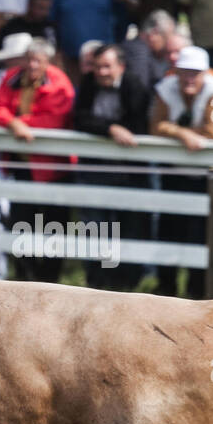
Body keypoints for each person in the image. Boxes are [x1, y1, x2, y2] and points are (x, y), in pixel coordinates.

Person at [0, 37, 75, 282]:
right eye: (29, 59)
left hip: (53, 169)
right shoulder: (13, 77)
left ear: (48, 62)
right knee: (21, 224)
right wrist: (13, 123)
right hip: (23, 165)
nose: (32, 65)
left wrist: (17, 123)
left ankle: (50, 282)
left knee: (53, 228)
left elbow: (53, 122)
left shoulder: (60, 83)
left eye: (38, 60)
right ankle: (24, 279)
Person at [150, 45, 213, 298]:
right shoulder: (165, 89)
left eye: (194, 73)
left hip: (206, 177)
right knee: (168, 231)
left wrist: (171, 129)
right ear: (176, 72)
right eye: (184, 72)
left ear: (205, 73)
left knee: (201, 234)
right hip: (174, 173)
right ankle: (166, 290)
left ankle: (197, 294)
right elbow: (155, 125)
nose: (188, 78)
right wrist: (181, 133)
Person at [71, 43, 150, 289]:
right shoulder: (87, 83)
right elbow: (80, 118)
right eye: (97, 67)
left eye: (107, 66)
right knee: (94, 227)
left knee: (130, 228)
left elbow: (137, 125)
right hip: (95, 169)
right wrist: (110, 129)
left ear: (121, 66)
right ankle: (96, 283)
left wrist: (107, 127)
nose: (101, 72)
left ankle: (127, 287)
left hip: (130, 171)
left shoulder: (135, 86)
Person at [121, 10, 177, 93]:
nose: (168, 45)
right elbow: (140, 89)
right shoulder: (137, 51)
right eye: (166, 39)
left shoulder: (146, 51)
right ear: (154, 34)